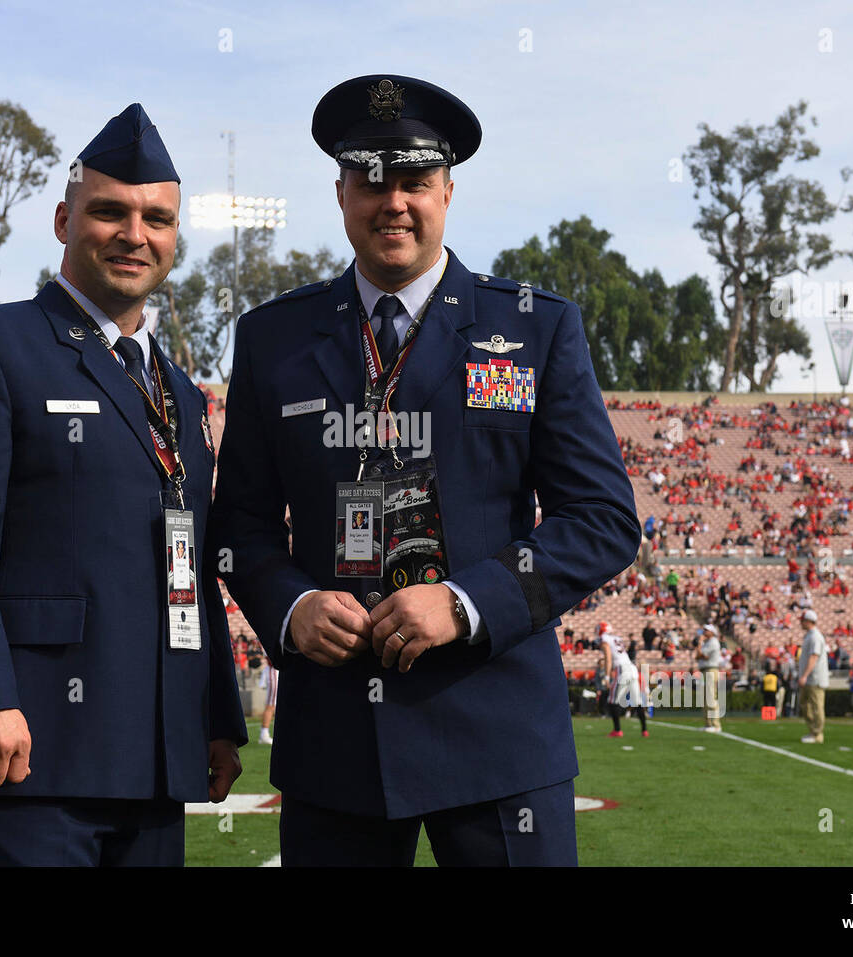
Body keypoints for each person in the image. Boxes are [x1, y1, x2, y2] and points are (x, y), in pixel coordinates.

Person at [210, 75, 640, 867]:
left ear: (448, 190)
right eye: (372, 181)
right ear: (340, 191)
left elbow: (604, 520)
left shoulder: (535, 328)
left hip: (498, 735)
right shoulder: (274, 339)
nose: (393, 202)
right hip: (335, 740)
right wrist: (291, 605)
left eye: (414, 181)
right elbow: (238, 523)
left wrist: (469, 601)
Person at [0, 104, 246, 866]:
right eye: (109, 211)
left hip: (156, 757)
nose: (134, 233)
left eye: (156, 218)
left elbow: (193, 560)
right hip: (25, 754)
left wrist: (215, 712)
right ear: (63, 219)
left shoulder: (179, 390)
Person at [600, 627, 648, 739]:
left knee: (612, 700)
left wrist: (607, 677)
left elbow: (608, 659)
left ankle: (617, 730)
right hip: (632, 668)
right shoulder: (616, 638)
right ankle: (644, 730)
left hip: (622, 669)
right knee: (637, 701)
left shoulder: (605, 641)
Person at [797, 610, 828, 743]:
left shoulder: (815, 636)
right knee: (804, 704)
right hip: (810, 678)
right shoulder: (809, 636)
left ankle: (817, 734)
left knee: (816, 706)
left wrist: (804, 675)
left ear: (808, 621)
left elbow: (814, 656)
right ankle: (813, 730)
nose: (800, 622)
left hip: (815, 678)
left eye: (803, 620)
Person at [697, 623, 723, 733]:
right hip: (705, 670)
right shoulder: (707, 642)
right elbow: (698, 656)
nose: (704, 632)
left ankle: (716, 725)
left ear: (712, 632)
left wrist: (699, 643)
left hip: (711, 669)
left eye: (706, 630)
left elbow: (702, 655)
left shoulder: (713, 642)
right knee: (705, 699)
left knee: (711, 697)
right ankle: (708, 724)